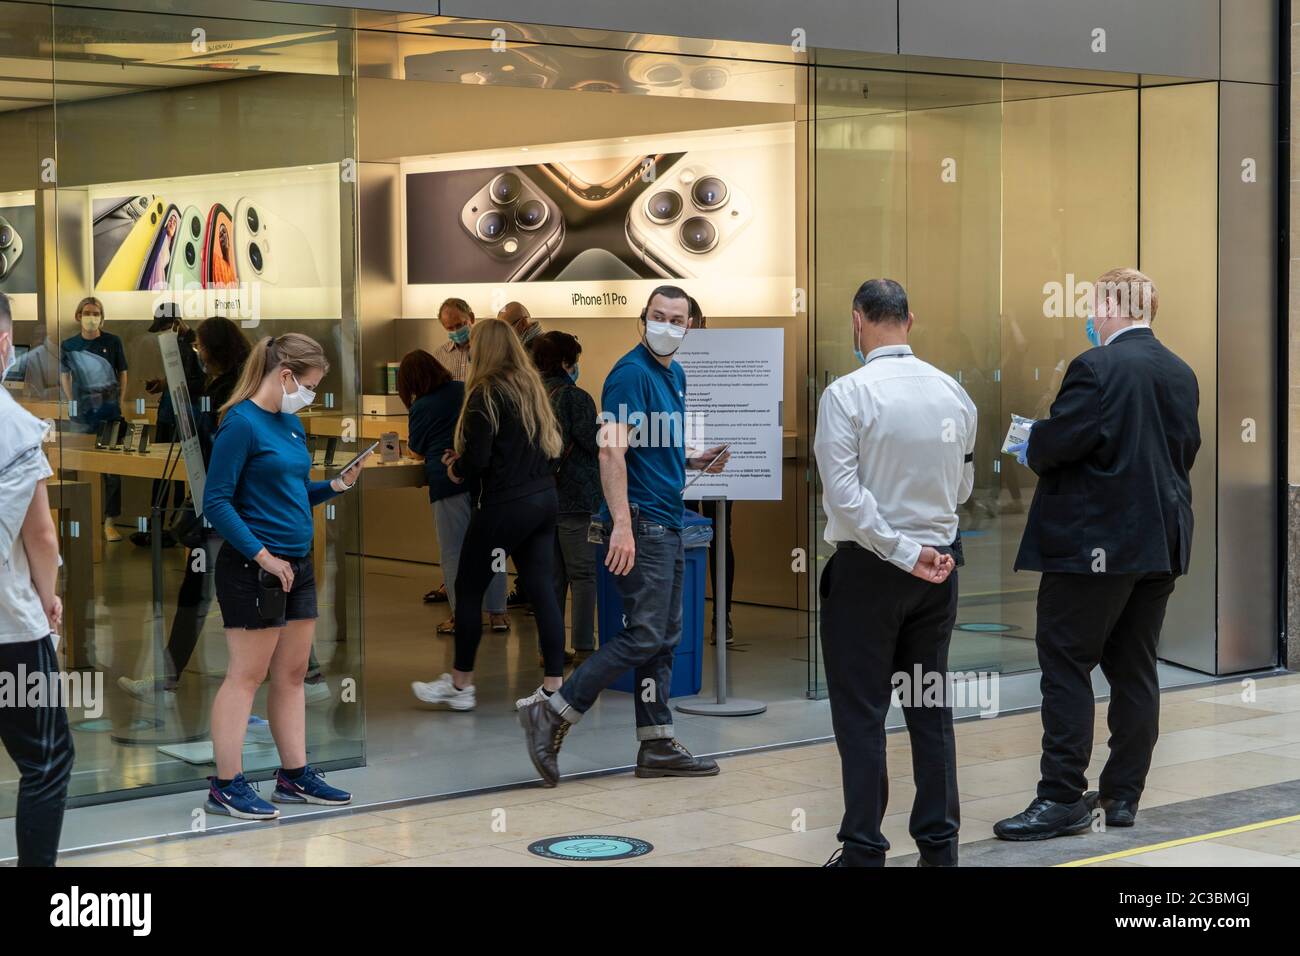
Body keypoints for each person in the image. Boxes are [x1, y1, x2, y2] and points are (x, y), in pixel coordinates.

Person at [994, 268, 1200, 841]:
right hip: (1159, 545)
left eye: (1091, 303)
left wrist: (1030, 439)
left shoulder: (1096, 367)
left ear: (1111, 304)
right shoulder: (1180, 371)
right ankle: (1123, 793)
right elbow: (1184, 450)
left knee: (1066, 666)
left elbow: (1064, 442)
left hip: (1093, 549)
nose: (1089, 314)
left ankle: (1060, 797)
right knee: (1135, 668)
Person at [519, 286, 730, 787]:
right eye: (658, 316)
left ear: (690, 326)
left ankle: (656, 743)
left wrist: (693, 459)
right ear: (643, 319)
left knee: (664, 636)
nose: (667, 325)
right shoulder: (629, 374)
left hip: (669, 519)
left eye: (677, 319)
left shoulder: (673, 374)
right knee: (646, 633)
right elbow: (611, 452)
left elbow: (650, 445)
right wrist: (621, 525)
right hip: (641, 521)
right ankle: (554, 711)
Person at [812, 278, 975, 868]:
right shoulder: (954, 392)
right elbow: (962, 485)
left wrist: (903, 551)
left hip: (870, 574)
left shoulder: (847, 394)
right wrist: (925, 549)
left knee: (861, 715)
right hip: (939, 572)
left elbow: (847, 499)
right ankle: (940, 849)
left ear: (859, 321)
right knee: (929, 708)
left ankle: (863, 850)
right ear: (911, 319)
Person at [201, 332, 365, 819]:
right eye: (310, 384)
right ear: (286, 374)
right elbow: (216, 502)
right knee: (246, 676)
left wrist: (333, 485)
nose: (310, 394)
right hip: (256, 569)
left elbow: (292, 490)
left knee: (291, 675)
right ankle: (226, 785)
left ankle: (294, 775)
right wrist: (263, 556)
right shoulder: (241, 425)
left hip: (297, 565)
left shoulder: (290, 424)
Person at [410, 319, 567, 712]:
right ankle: (553, 689)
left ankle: (461, 685)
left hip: (504, 504)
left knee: (468, 588)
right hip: (543, 499)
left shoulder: (485, 392)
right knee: (542, 590)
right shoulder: (531, 388)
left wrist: (455, 468)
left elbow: (478, 459)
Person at [118, 317, 252, 703]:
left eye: (202, 348)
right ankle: (308, 675)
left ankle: (168, 679)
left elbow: (217, 430)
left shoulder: (235, 389)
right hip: (222, 502)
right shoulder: (229, 382)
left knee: (216, 592)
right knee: (215, 590)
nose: (199, 354)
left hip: (226, 504)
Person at [0, 291, 75, 865]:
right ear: (5, 345)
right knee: (46, 759)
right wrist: (50, 599)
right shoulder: (17, 428)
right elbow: (42, 538)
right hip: (11, 631)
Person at [399, 349, 508, 636]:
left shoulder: (421, 406)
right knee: (491, 548)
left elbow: (417, 450)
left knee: (454, 551)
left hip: (447, 483)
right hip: (482, 479)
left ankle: (462, 617)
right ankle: (498, 614)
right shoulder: (465, 390)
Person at [531, 331, 600, 660]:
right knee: (583, 574)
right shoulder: (575, 397)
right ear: (564, 361)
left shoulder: (528, 395)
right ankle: (585, 646)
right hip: (575, 498)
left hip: (538, 499)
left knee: (552, 578)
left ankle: (549, 649)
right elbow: (593, 443)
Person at [686, 296, 736, 645]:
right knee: (686, 536)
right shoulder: (664, 359)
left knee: (719, 536)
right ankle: (688, 615)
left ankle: (722, 617)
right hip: (683, 458)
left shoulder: (723, 353)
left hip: (717, 457)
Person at [59, 296, 127, 542]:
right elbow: (65, 375)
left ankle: (110, 521)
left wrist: (120, 402)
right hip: (83, 416)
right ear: (78, 315)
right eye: (87, 312)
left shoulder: (112, 341)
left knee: (112, 471)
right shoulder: (69, 345)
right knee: (81, 466)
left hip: (109, 414)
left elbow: (123, 372)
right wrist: (71, 401)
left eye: (96, 313)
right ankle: (81, 519)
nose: (91, 317)